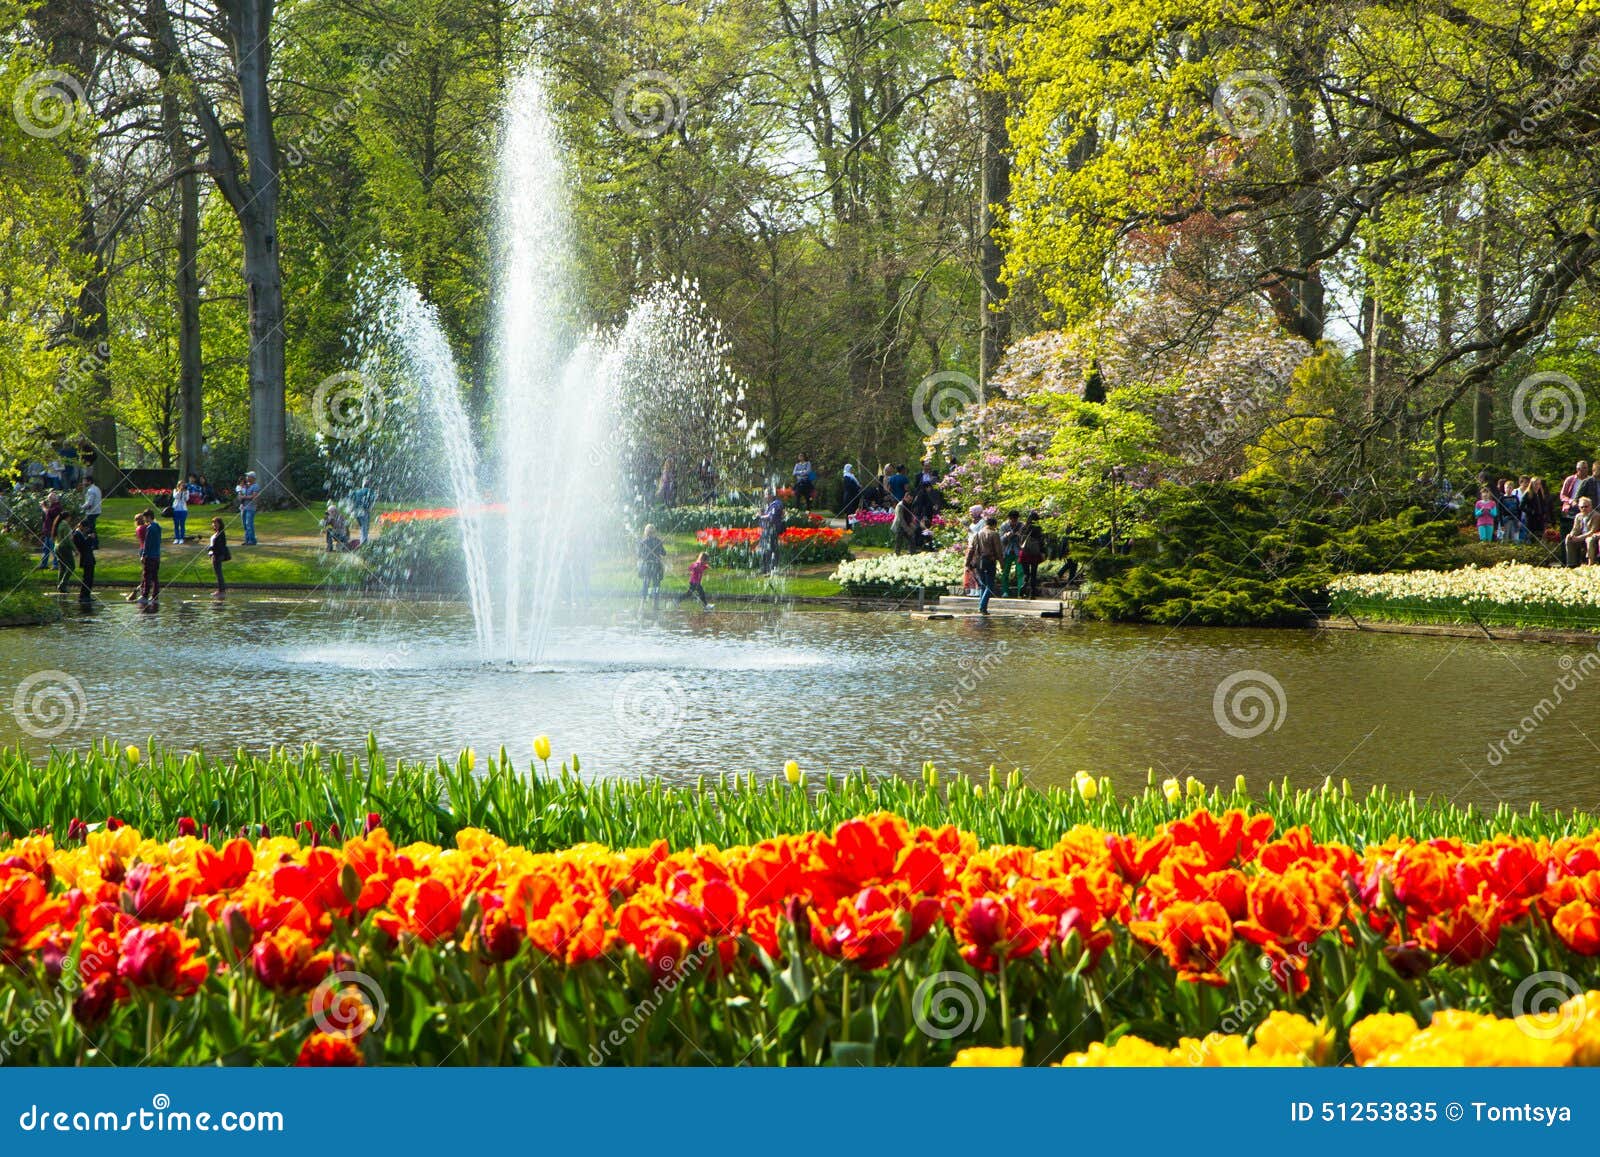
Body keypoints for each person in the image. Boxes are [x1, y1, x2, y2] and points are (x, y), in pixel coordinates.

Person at [969, 516, 1003, 614]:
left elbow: (971, 549)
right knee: (990, 585)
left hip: (979, 561)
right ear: (994, 525)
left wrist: (968, 563)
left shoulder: (977, 534)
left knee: (983, 585)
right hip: (990, 560)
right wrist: (1001, 563)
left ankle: (983, 607)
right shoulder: (994, 534)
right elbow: (998, 550)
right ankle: (982, 606)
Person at [136, 509, 162, 609]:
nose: (145, 520)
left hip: (150, 556)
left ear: (148, 517)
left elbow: (147, 543)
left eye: (145, 517)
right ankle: (155, 595)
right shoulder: (158, 526)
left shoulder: (150, 528)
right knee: (155, 576)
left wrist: (144, 555)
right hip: (157, 555)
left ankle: (144, 595)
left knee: (147, 576)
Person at [1565, 498, 1600, 566]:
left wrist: (1579, 538)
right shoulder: (1578, 516)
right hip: (1580, 536)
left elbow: (1592, 531)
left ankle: (1591, 563)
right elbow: (1575, 529)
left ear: (1591, 506)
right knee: (1568, 538)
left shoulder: (1596, 515)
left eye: (1586, 506)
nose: (1584, 508)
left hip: (1592, 536)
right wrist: (1572, 535)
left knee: (1589, 540)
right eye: (1582, 507)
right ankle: (1571, 563)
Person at [758, 489, 786, 574]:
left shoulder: (776, 504)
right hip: (768, 529)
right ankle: (765, 569)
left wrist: (761, 516)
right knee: (766, 548)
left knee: (769, 549)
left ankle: (771, 569)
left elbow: (772, 517)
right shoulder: (772, 504)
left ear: (770, 495)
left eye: (766, 494)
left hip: (772, 530)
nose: (765, 496)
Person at [1019, 514, 1046, 598]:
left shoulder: (1023, 528)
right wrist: (1043, 552)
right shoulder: (1038, 529)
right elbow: (1042, 542)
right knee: (1033, 574)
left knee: (1026, 573)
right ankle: (1032, 593)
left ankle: (1024, 584)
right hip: (1035, 553)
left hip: (1024, 553)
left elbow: (1019, 540)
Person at [637, 524, 666, 603]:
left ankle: (643, 599)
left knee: (646, 582)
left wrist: (645, 556)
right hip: (657, 565)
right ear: (654, 532)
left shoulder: (643, 542)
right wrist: (660, 545)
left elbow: (639, 554)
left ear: (646, 532)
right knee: (656, 583)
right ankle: (655, 600)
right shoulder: (658, 541)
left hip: (647, 565)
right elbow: (664, 553)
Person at [70, 517, 96, 602]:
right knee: (87, 578)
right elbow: (82, 546)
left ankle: (87, 595)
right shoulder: (76, 534)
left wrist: (90, 539)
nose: (86, 530)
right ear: (81, 526)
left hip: (89, 558)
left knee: (90, 578)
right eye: (85, 528)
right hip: (86, 558)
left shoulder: (82, 534)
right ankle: (83, 595)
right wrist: (89, 538)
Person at [999, 511, 1024, 596]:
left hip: (1018, 551)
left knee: (1020, 572)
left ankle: (1021, 592)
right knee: (1005, 572)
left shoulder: (1021, 525)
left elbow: (1025, 539)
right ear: (1009, 518)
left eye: (1015, 519)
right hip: (1007, 551)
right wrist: (1006, 535)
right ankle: (1005, 591)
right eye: (1012, 519)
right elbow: (1000, 540)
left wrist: (1019, 536)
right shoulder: (1004, 526)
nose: (1013, 521)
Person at [38, 491, 63, 570]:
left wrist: (43, 507)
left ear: (55, 498)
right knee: (45, 549)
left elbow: (49, 513)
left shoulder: (57, 507)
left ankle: (56, 564)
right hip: (47, 531)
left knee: (53, 549)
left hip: (52, 531)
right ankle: (44, 564)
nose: (49, 500)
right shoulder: (52, 506)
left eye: (50, 498)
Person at [208, 517, 229, 598]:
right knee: (217, 573)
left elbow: (220, 546)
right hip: (214, 555)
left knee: (219, 573)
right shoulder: (216, 533)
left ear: (220, 524)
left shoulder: (221, 534)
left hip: (218, 555)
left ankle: (221, 591)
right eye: (213, 523)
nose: (214, 525)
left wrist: (212, 549)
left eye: (216, 523)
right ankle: (220, 590)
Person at [53, 516, 75, 593]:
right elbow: (67, 539)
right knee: (71, 566)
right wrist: (75, 549)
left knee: (62, 567)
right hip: (64, 547)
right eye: (69, 517)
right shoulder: (65, 525)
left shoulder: (58, 524)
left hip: (56, 546)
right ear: (67, 517)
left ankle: (60, 587)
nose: (70, 518)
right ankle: (62, 585)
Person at [349, 479, 376, 545]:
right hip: (364, 511)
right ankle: (363, 542)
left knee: (362, 526)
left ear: (363, 484)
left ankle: (362, 540)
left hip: (356, 511)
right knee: (365, 527)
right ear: (369, 485)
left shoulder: (357, 491)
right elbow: (371, 501)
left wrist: (351, 510)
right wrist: (370, 508)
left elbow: (352, 500)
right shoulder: (370, 491)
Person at [237, 471, 260, 545]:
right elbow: (240, 493)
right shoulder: (245, 486)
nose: (246, 478)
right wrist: (240, 494)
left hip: (251, 508)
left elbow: (253, 496)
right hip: (243, 507)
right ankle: (247, 540)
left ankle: (252, 540)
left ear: (253, 478)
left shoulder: (255, 486)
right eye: (247, 476)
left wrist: (244, 497)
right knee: (244, 524)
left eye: (248, 476)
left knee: (249, 524)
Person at [170, 479, 189, 544]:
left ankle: (181, 538)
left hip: (183, 509)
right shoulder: (175, 490)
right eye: (181, 485)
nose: (182, 487)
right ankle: (176, 538)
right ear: (178, 485)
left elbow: (186, 499)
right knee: (176, 524)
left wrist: (184, 492)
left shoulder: (186, 491)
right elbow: (175, 496)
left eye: (183, 485)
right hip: (175, 509)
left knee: (182, 524)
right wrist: (179, 491)